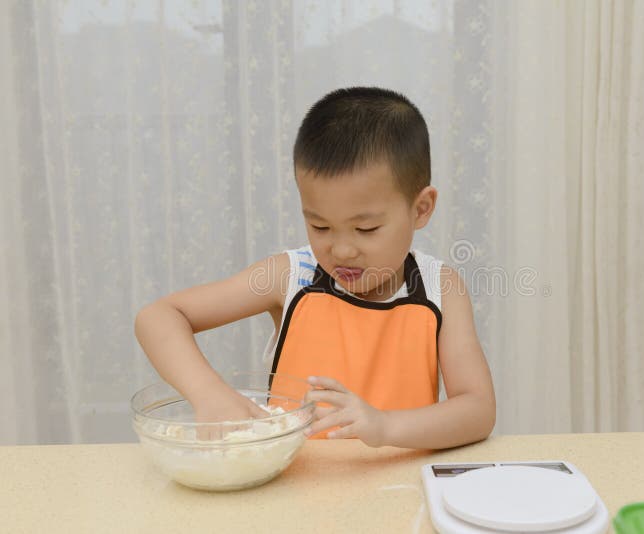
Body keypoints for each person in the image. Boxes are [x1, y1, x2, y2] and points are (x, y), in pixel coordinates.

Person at [134, 87, 496, 449]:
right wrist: (209, 393)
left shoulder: (440, 289)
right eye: (320, 226)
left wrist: (385, 426)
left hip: (399, 489)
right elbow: (159, 317)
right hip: (291, 491)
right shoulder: (289, 276)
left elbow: (478, 409)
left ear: (420, 209)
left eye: (365, 229)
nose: (340, 249)